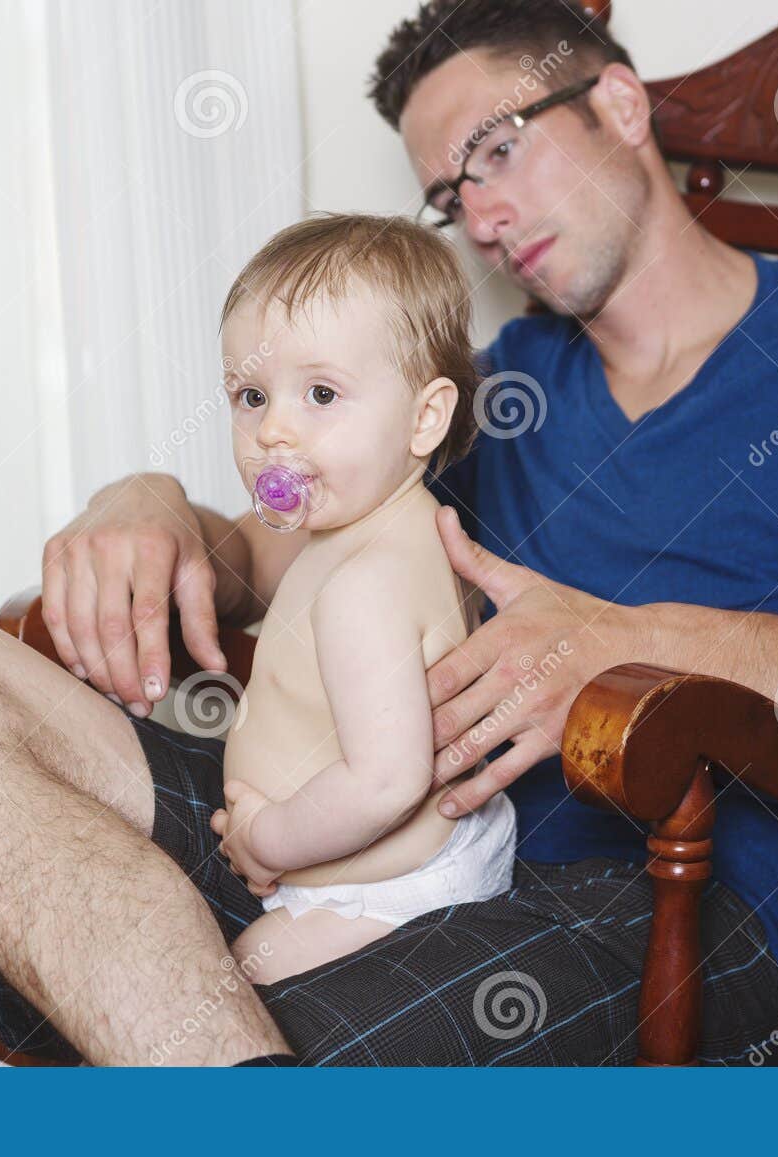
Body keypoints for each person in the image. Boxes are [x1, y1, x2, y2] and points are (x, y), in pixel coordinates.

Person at [0, 0, 778, 1066]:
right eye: (448, 193)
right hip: (372, 829)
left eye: (496, 150)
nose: (480, 217)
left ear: (618, 105)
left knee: (114, 1011)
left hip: (665, 897)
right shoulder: (493, 388)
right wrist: (152, 501)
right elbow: (279, 551)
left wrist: (637, 641)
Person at [207, 213, 518, 986]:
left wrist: (269, 838)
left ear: (424, 418)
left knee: (244, 980)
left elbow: (387, 779)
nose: (273, 430)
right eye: (251, 394)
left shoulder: (363, 583)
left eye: (320, 393)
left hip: (391, 886)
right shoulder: (378, 526)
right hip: (377, 857)